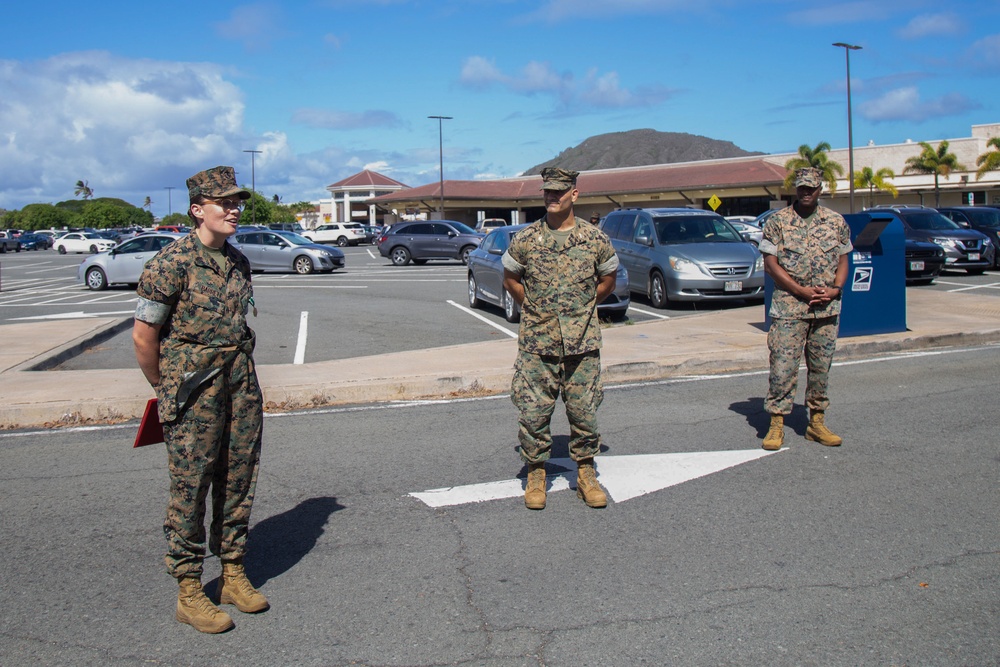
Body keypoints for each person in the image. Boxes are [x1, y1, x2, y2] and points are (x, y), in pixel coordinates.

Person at [133, 165, 267, 634]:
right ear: (197, 210)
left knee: (238, 478)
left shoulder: (237, 260)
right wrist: (166, 387)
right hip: (193, 389)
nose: (234, 210)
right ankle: (189, 589)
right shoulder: (169, 264)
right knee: (191, 488)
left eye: (237, 203)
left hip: (240, 383)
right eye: (224, 203)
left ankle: (232, 573)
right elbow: (144, 337)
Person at [501, 167, 619, 510]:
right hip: (538, 343)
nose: (552, 197)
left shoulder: (594, 239)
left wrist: (584, 307)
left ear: (574, 195)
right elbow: (510, 279)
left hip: (582, 343)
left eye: (559, 192)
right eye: (547, 192)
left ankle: (586, 474)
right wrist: (535, 309)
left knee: (584, 413)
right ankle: (536, 473)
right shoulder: (525, 239)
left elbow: (608, 278)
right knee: (534, 413)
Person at [758, 167, 852, 451]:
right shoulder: (778, 222)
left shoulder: (836, 222)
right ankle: (776, 424)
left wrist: (835, 289)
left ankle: (817, 422)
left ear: (820, 189)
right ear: (795, 189)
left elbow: (844, 259)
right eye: (802, 188)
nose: (806, 192)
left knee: (821, 368)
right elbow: (771, 264)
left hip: (826, 310)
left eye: (811, 188)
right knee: (783, 368)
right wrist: (799, 290)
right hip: (789, 309)